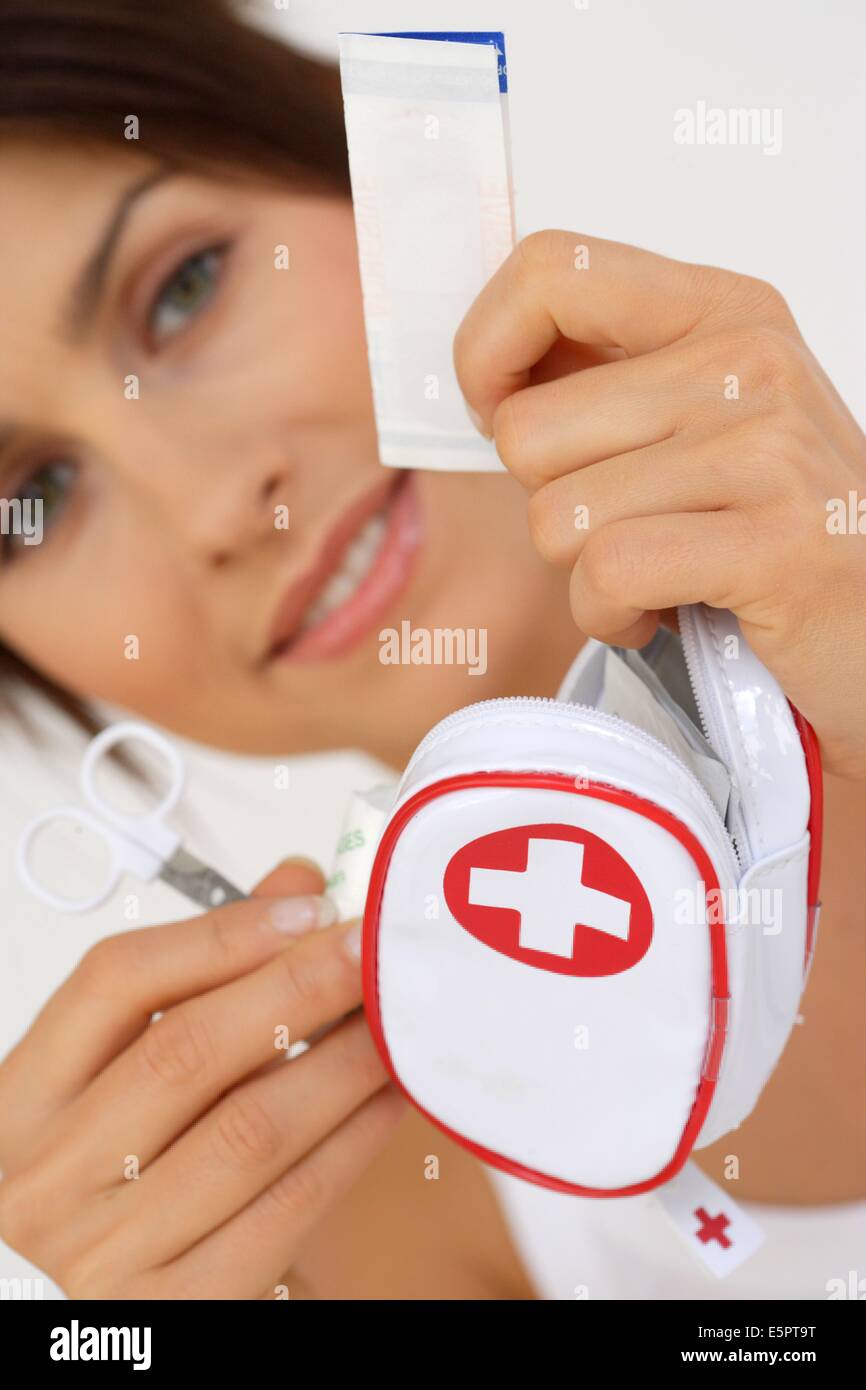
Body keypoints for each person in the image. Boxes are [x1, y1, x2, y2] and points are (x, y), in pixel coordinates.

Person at [0, 0, 863, 1300]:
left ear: (381, 171)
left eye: (181, 290)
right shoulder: (350, 1204)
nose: (218, 505)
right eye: (39, 499)